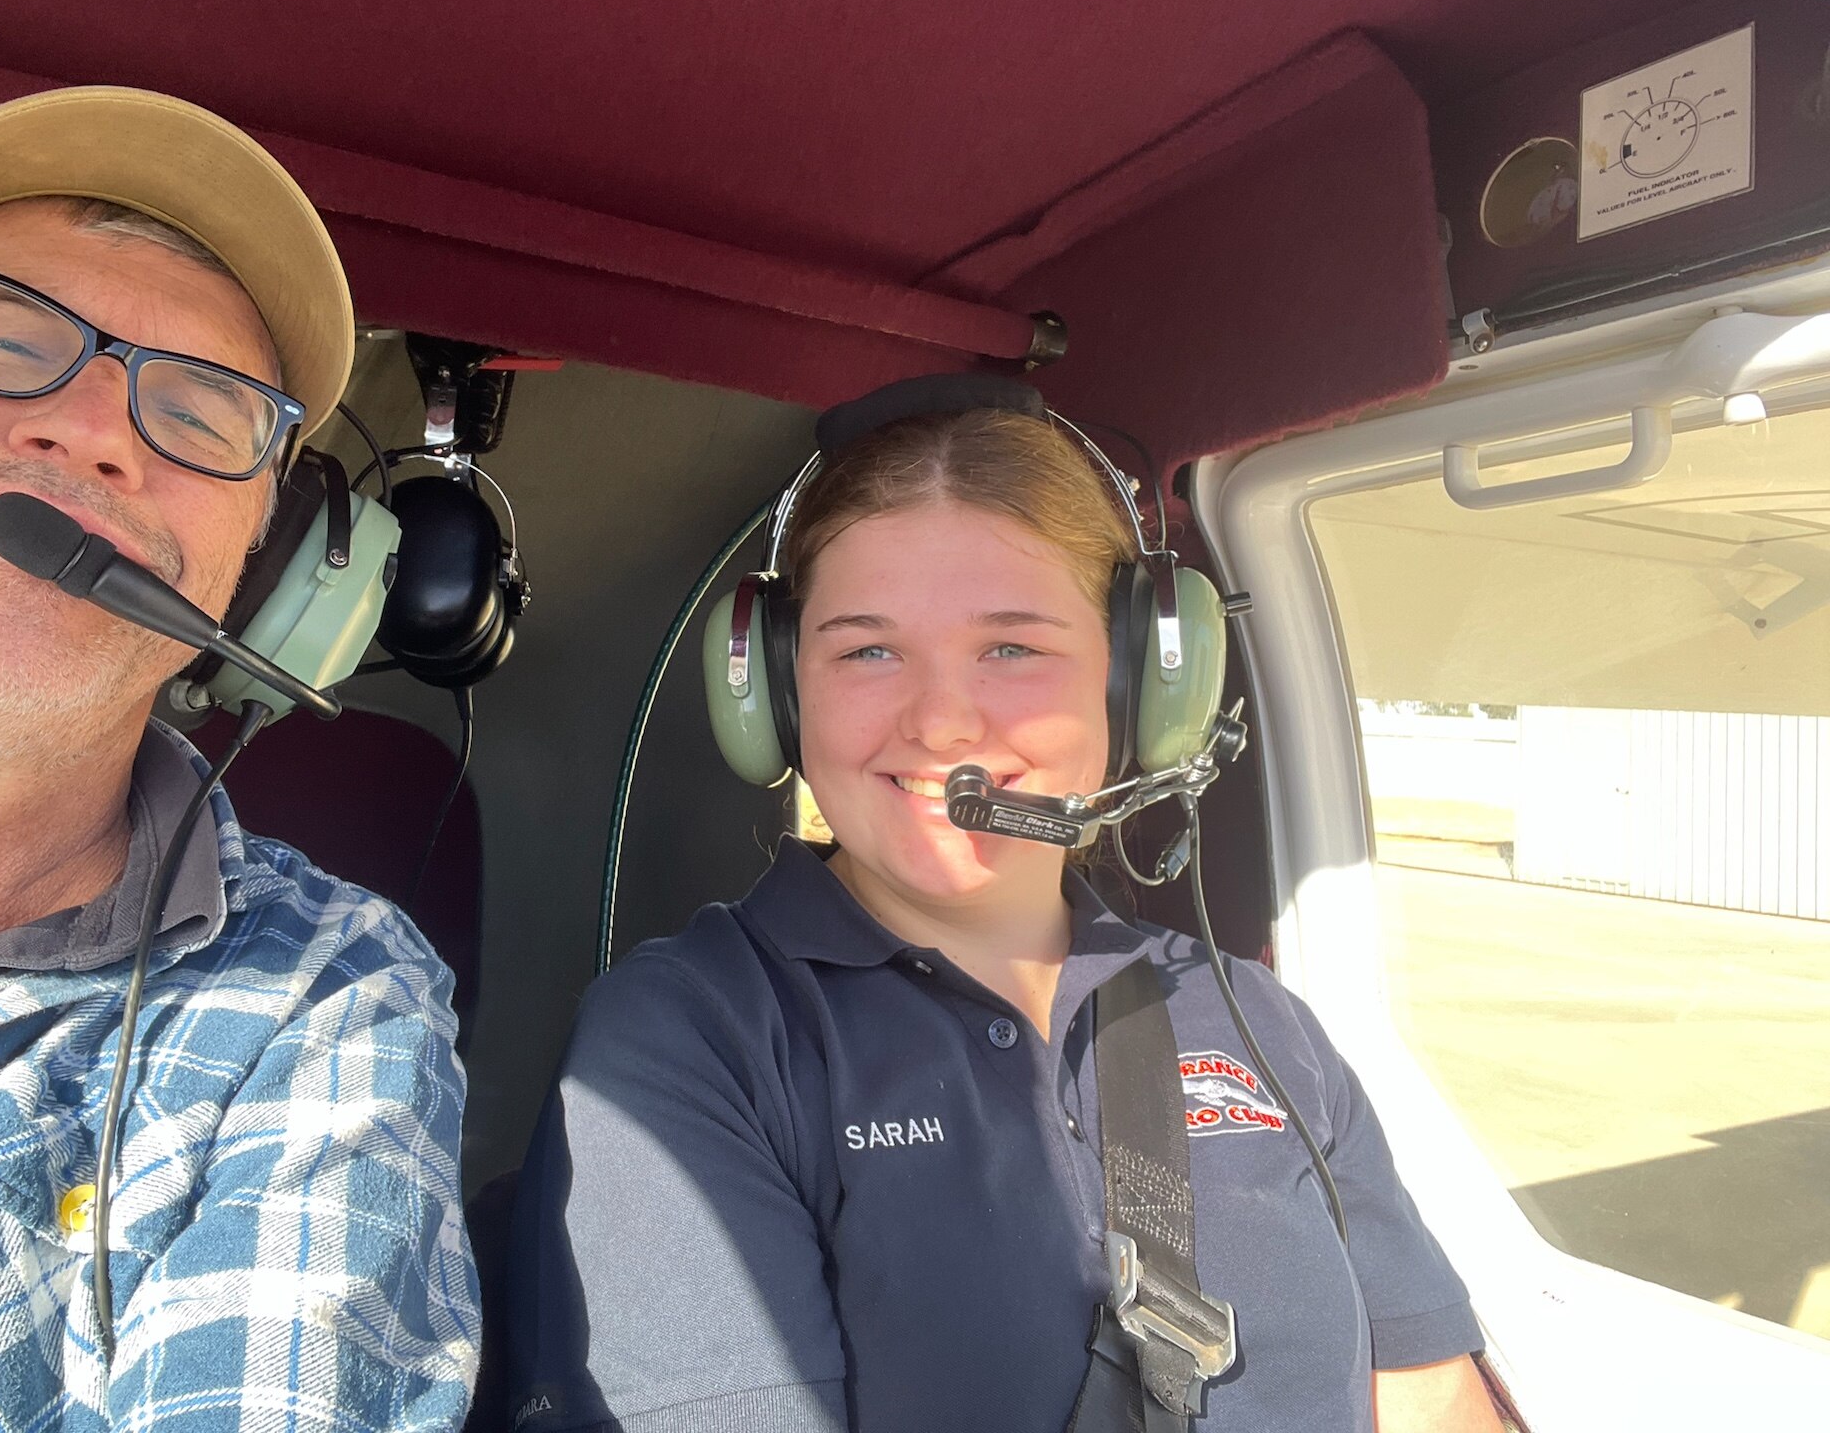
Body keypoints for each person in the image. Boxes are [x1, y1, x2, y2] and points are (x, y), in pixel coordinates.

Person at [504, 378, 1502, 1430]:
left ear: (1140, 685)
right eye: (867, 650)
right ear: (781, 697)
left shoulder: (1259, 1020)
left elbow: (1433, 1400)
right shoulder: (697, 1037)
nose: (941, 723)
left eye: (1012, 647)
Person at [0, 88, 477, 1428]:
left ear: (263, 570)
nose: (93, 431)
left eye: (205, 412)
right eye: (2, 337)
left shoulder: (321, 1000)